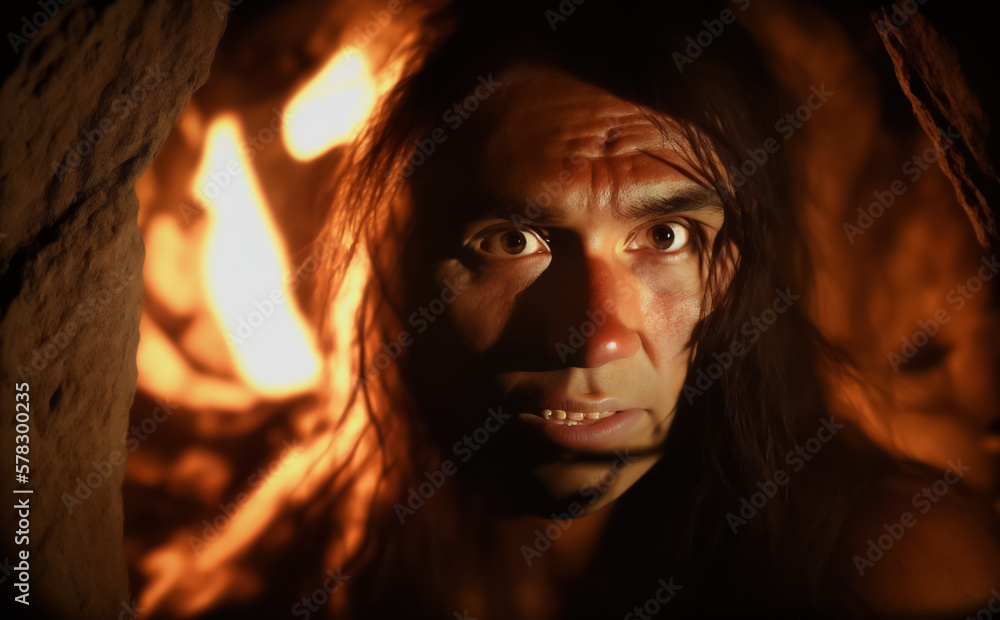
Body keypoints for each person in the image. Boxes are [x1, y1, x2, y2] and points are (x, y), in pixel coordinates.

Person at [314, 0, 1000, 617]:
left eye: (665, 237)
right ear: (404, 265)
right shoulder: (365, 553)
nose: (596, 339)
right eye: (512, 240)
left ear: (734, 273)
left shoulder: (896, 567)